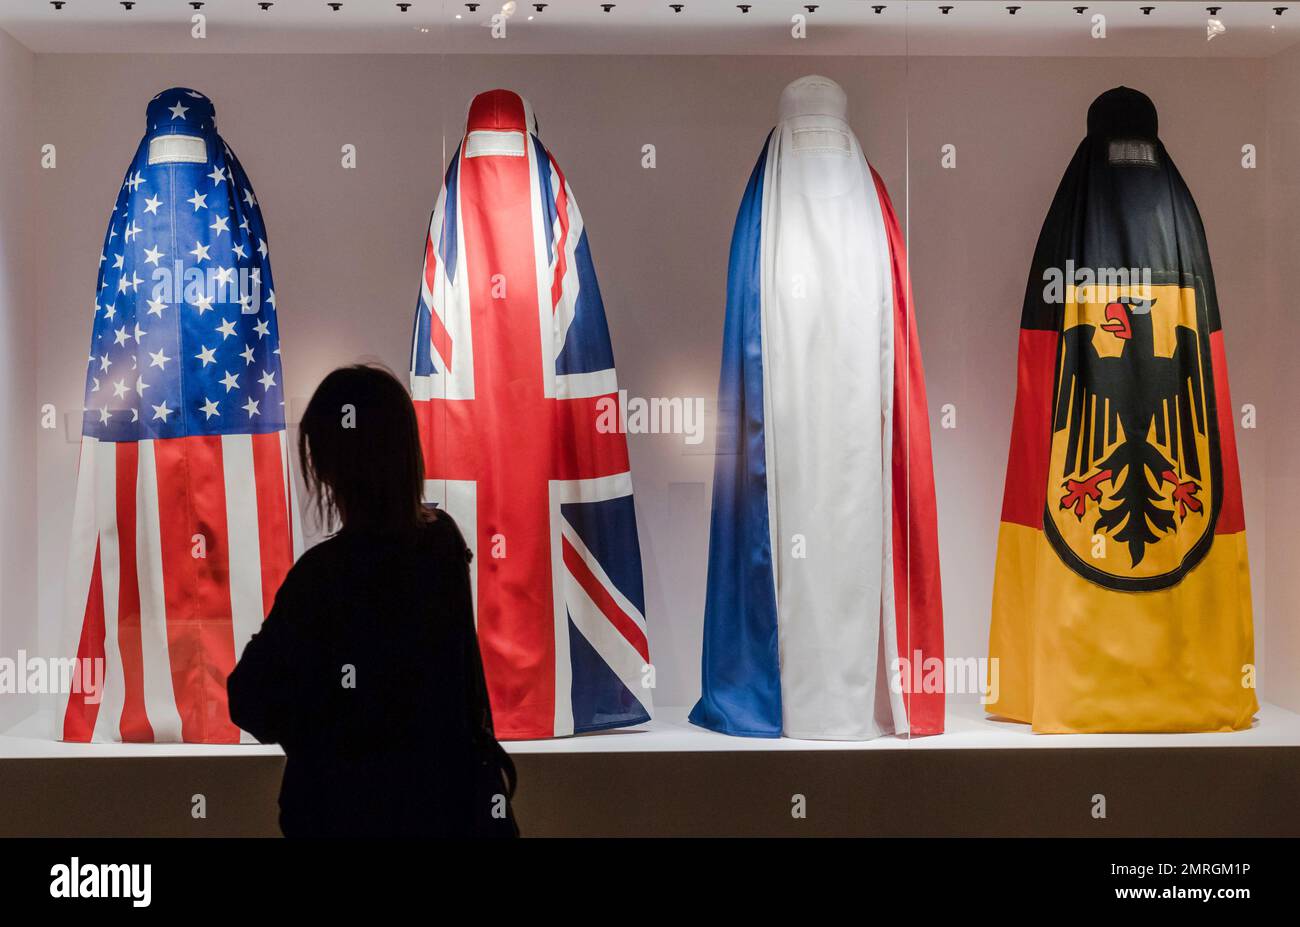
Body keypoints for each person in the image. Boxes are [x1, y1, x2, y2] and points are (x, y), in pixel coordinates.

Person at [227, 364, 517, 838]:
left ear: (323, 462)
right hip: (450, 813)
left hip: (344, 816)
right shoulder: (441, 545)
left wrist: (322, 741)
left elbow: (250, 698)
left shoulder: (324, 575)